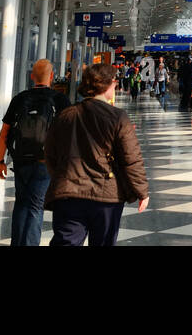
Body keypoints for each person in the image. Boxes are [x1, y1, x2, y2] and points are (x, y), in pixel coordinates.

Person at [44, 63, 148, 246]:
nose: (116, 85)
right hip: (106, 195)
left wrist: (62, 176)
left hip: (69, 193)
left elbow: (50, 153)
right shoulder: (118, 117)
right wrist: (142, 191)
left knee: (66, 242)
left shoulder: (65, 115)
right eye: (114, 82)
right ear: (107, 84)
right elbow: (131, 159)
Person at [0, 58, 69, 246]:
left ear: (31, 76)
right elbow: (69, 132)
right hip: (45, 161)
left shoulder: (20, 98)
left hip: (20, 160)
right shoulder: (59, 99)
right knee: (35, 206)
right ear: (52, 76)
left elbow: (4, 132)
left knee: (21, 203)